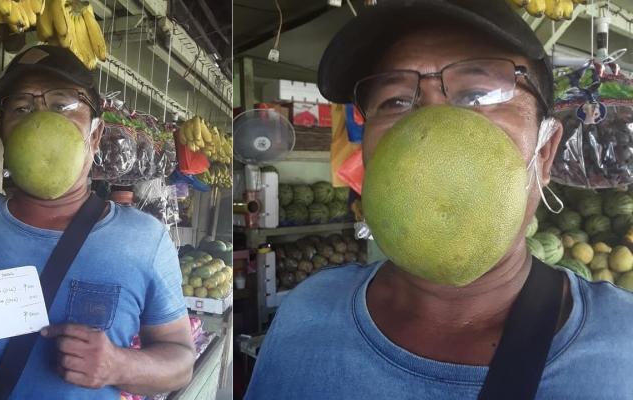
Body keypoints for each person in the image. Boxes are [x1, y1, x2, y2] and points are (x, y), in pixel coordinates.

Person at [245, 1, 633, 399]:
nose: (430, 121)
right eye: (395, 101)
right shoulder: (306, 313)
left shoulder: (622, 349)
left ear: (545, 152)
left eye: (478, 94)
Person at [0, 45, 194, 399]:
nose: (39, 119)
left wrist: (119, 365)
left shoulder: (143, 238)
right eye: (21, 108)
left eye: (61, 105)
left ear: (94, 134)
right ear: (3, 134)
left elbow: (181, 361)